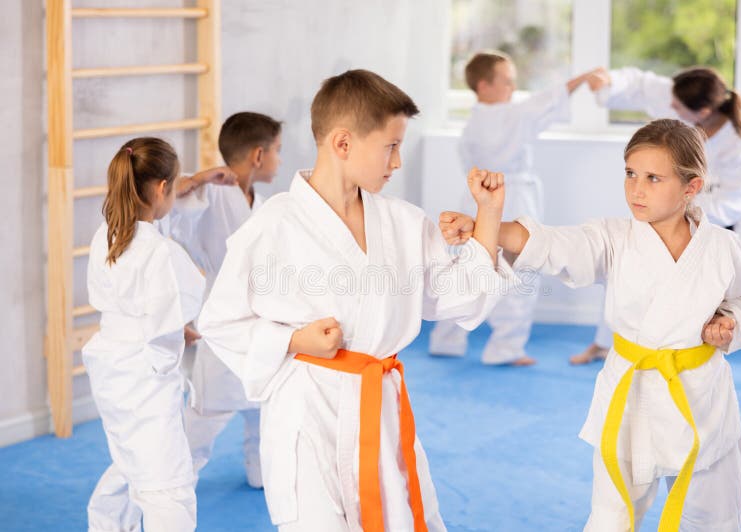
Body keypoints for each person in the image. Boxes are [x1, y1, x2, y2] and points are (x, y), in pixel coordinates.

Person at [198, 69, 517, 531]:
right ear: (343, 144)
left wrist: (488, 215)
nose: (398, 162)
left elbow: (459, 300)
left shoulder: (404, 223)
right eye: (390, 146)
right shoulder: (275, 225)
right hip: (306, 414)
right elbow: (220, 321)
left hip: (380, 410)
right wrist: (293, 340)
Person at [441, 119, 741, 531]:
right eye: (630, 174)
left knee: (713, 517)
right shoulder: (615, 237)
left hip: (700, 397)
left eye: (652, 178)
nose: (636, 189)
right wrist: (486, 226)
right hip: (630, 395)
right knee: (611, 516)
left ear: (691, 187)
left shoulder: (721, 247)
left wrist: (728, 321)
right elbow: (555, 243)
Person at [570, 66, 741, 401]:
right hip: (678, 205)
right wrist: (609, 84)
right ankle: (605, 343)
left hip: (740, 218)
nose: (671, 109)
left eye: (678, 109)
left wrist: (681, 218)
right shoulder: (686, 99)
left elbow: (730, 206)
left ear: (704, 112)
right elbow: (642, 83)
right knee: (628, 264)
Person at [429, 50, 590, 365]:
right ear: (484, 85)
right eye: (506, 81)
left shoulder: (472, 123)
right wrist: (583, 78)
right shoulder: (514, 116)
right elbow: (551, 97)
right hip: (512, 196)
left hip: (474, 198)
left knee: (464, 266)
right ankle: (505, 348)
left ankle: (446, 341)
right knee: (521, 269)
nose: (512, 88)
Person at [82, 137, 205, 531]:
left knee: (130, 460)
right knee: (169, 485)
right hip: (146, 377)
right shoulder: (163, 254)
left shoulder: (107, 234)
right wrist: (176, 329)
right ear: (162, 188)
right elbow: (181, 303)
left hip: (110, 365)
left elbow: (137, 302)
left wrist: (170, 326)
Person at [169, 112, 283, 488]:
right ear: (258, 155)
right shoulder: (210, 193)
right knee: (207, 412)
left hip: (263, 318)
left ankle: (262, 473)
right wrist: (202, 177)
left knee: (264, 410)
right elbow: (170, 204)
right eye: (277, 151)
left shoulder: (264, 203)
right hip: (222, 316)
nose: (280, 159)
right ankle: (172, 480)